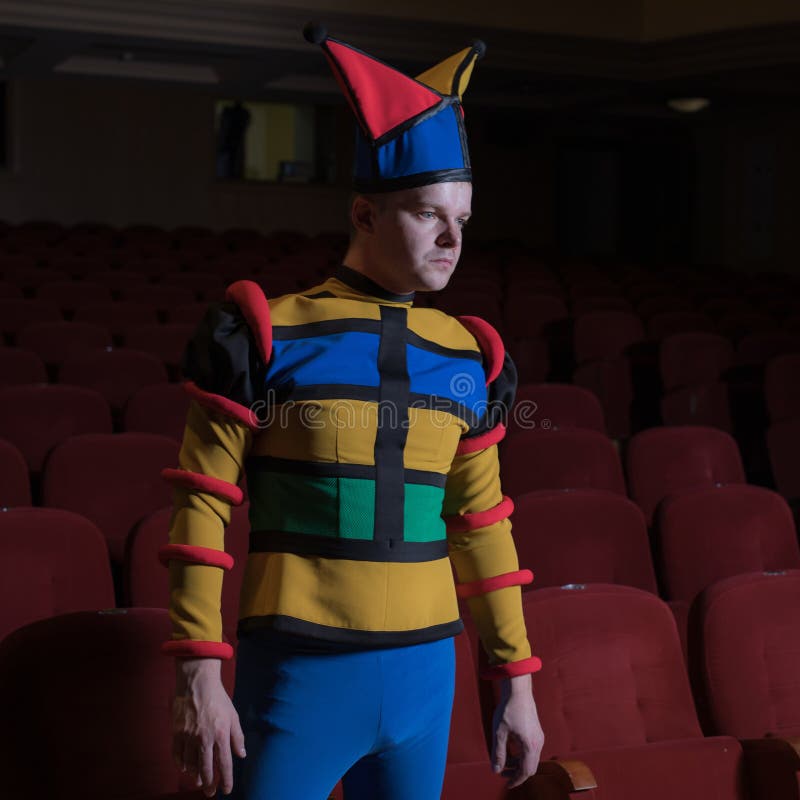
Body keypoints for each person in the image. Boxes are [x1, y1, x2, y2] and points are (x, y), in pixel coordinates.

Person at [161, 24, 545, 800]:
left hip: (427, 672)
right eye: (428, 214)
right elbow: (203, 505)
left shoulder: (473, 354)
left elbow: (482, 527)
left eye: (462, 221)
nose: (450, 238)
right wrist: (200, 673)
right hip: (300, 665)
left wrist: (517, 683)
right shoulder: (264, 330)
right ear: (364, 215)